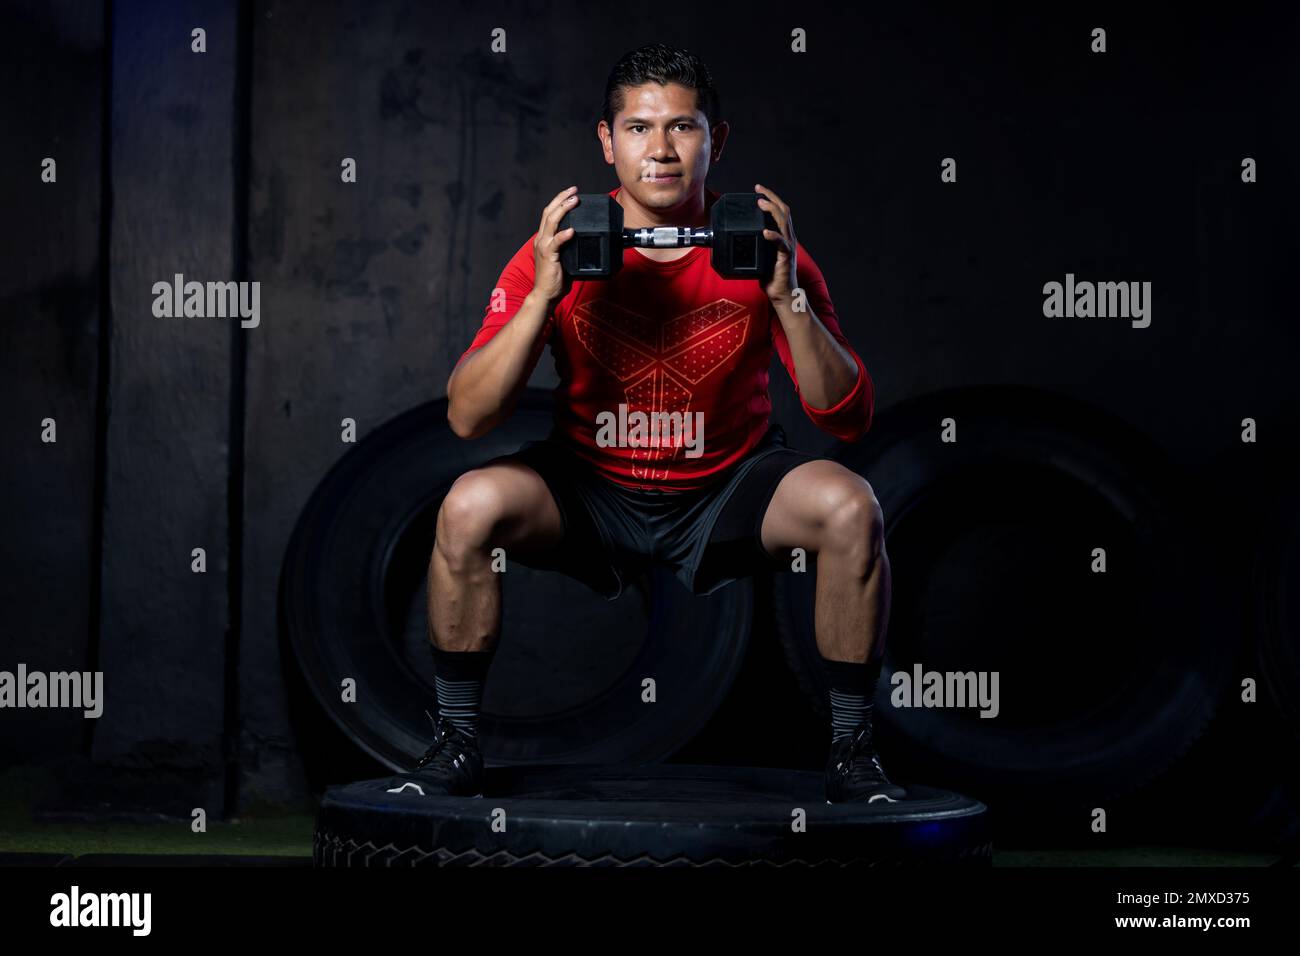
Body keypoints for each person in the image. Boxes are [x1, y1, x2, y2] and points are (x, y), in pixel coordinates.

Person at [410, 43, 905, 805]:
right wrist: (544, 296)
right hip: (591, 488)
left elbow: (846, 415)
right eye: (639, 129)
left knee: (851, 506)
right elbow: (470, 415)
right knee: (469, 504)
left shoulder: (770, 255)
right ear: (607, 142)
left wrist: (784, 298)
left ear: (718, 140)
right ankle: (453, 743)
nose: (662, 149)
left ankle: (852, 752)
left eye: (683, 127)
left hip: (727, 486)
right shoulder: (559, 255)